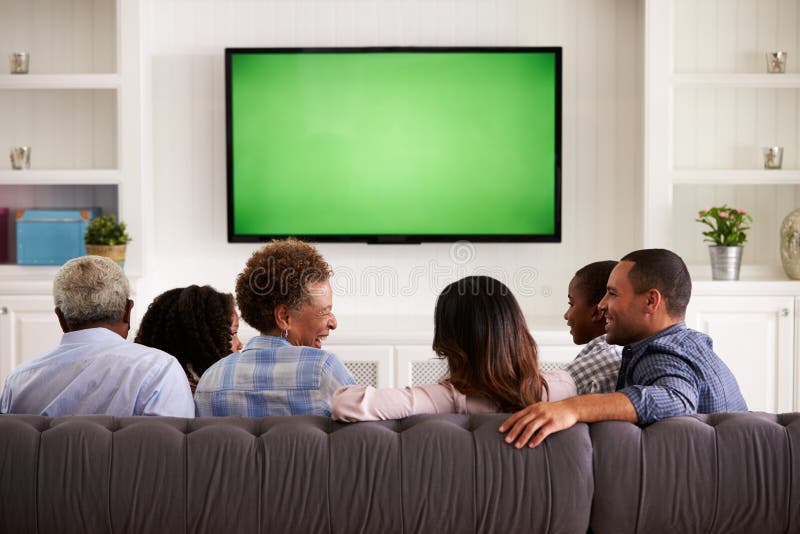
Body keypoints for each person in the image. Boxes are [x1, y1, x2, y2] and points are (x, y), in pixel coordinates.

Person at [500, 249, 747, 448]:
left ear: (651, 301)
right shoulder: (684, 344)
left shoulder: (661, 351)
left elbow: (676, 399)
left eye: (612, 294)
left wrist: (571, 408)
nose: (602, 305)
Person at [332, 276, 577, 422]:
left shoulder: (444, 398)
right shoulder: (564, 388)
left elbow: (345, 404)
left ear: (449, 340)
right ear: (517, 332)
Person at [0, 256, 194, 417]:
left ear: (61, 318)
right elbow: (172, 458)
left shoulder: (18, 381)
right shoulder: (159, 370)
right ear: (127, 311)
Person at [194, 238, 355, 416]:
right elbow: (366, 438)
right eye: (324, 312)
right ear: (284, 317)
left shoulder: (210, 380)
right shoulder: (324, 371)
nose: (333, 323)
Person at [134, 285, 244, 393]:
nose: (240, 345)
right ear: (202, 342)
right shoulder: (199, 394)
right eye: (233, 333)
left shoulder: (144, 378)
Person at [564, 261, 622, 395]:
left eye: (571, 304)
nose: (566, 315)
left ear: (597, 312)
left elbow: (540, 392)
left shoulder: (606, 352)